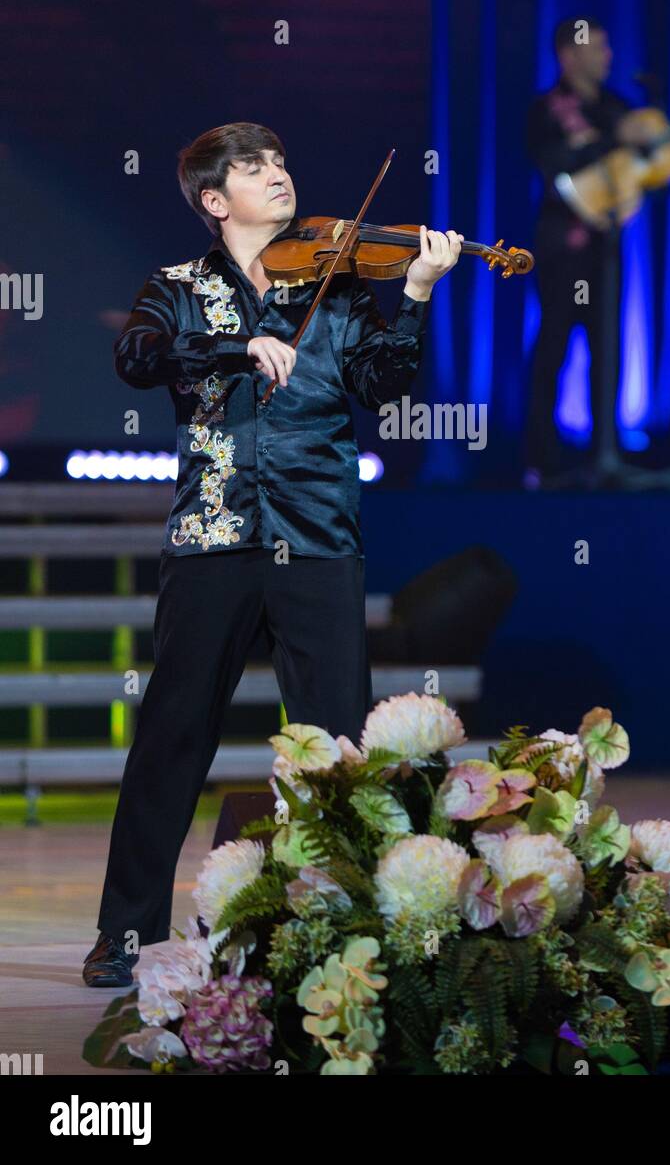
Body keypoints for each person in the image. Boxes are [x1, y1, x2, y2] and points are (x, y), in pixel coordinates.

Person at [83, 121, 462, 986]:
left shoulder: (339, 284)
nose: (278, 175)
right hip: (214, 538)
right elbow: (135, 357)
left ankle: (355, 930)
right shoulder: (175, 286)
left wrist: (417, 293)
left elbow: (382, 383)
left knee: (338, 745)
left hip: (320, 533)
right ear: (215, 201)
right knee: (172, 740)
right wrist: (235, 346)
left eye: (281, 160)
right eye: (253, 167)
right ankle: (125, 933)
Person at [523, 16, 670, 486]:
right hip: (563, 250)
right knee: (553, 349)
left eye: (607, 46)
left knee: (609, 350)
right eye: (597, 47)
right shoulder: (547, 108)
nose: (608, 56)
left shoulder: (617, 106)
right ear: (568, 54)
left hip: (608, 251)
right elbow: (552, 164)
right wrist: (613, 139)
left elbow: (656, 159)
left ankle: (606, 459)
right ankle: (541, 464)